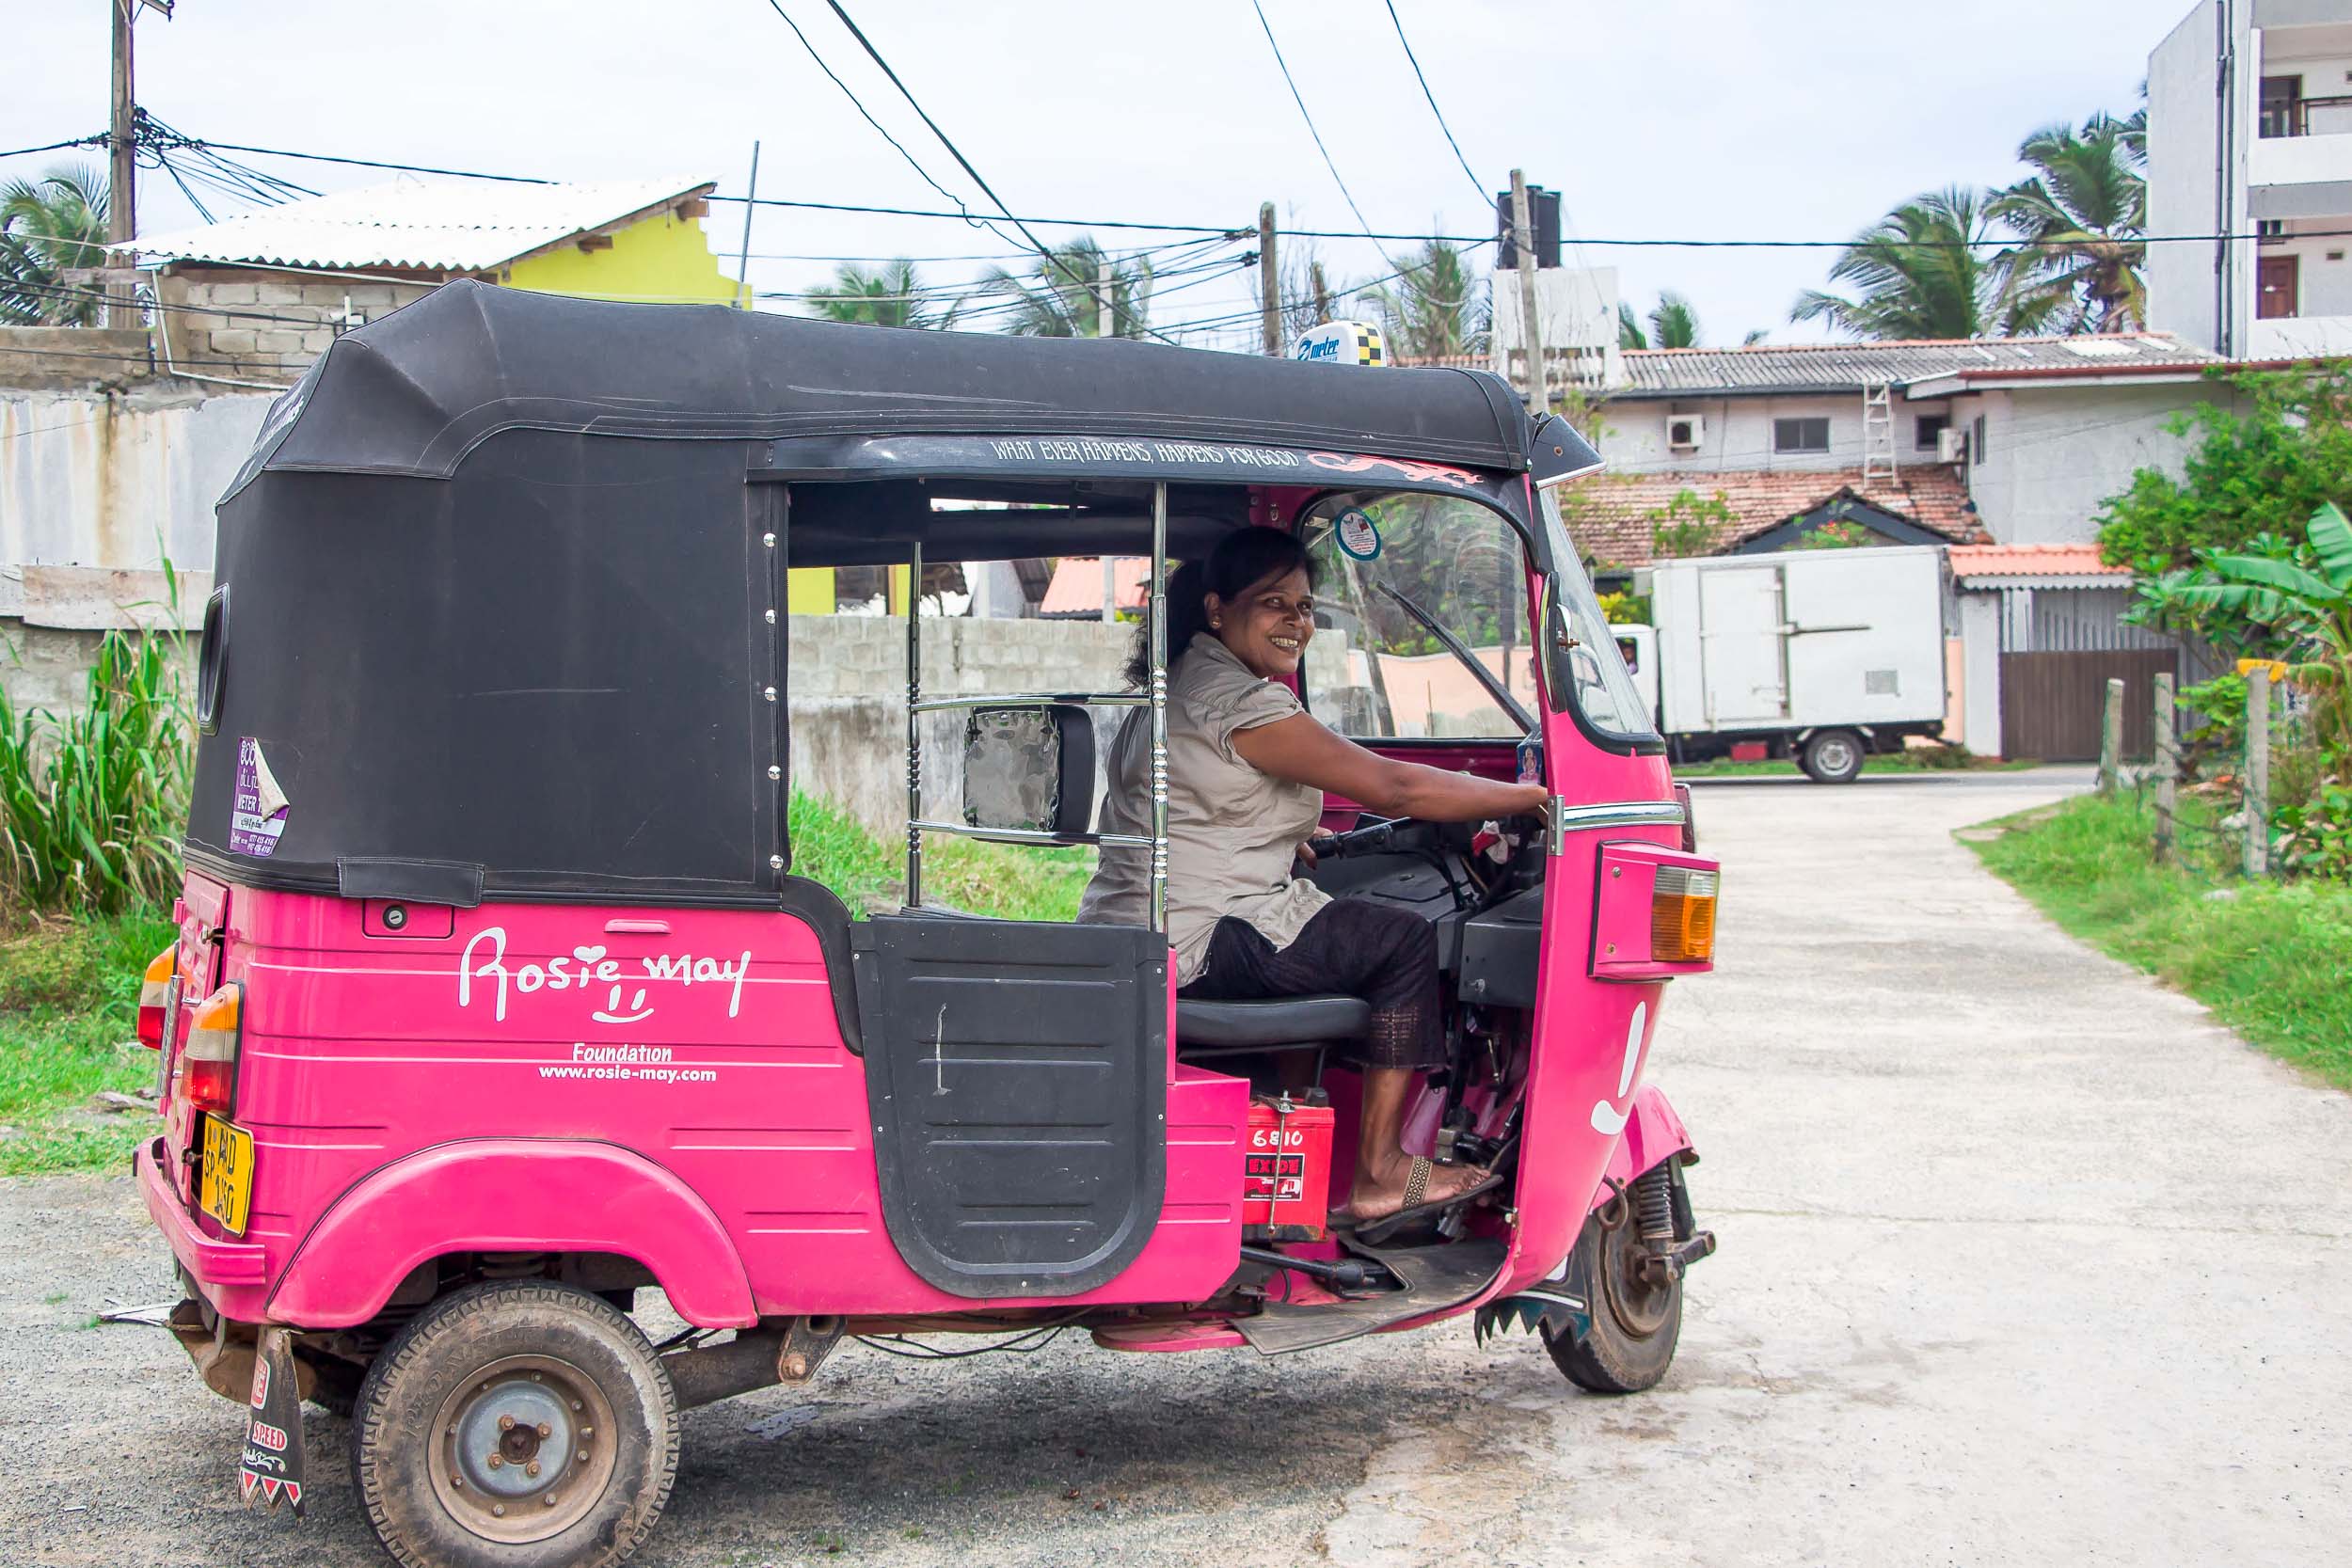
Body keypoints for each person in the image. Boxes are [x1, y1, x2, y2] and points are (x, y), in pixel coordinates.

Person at [1078, 527, 1549, 1222]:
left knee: (1327, 926)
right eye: (1274, 603)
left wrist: (1286, 836)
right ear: (1217, 609)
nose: (1295, 622)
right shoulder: (1245, 703)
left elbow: (1202, 803)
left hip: (1136, 928)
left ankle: (1302, 1145)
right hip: (1196, 939)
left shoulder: (1177, 684)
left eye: (1304, 607)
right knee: (1402, 941)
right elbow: (1394, 788)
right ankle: (1382, 1171)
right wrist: (1532, 798)